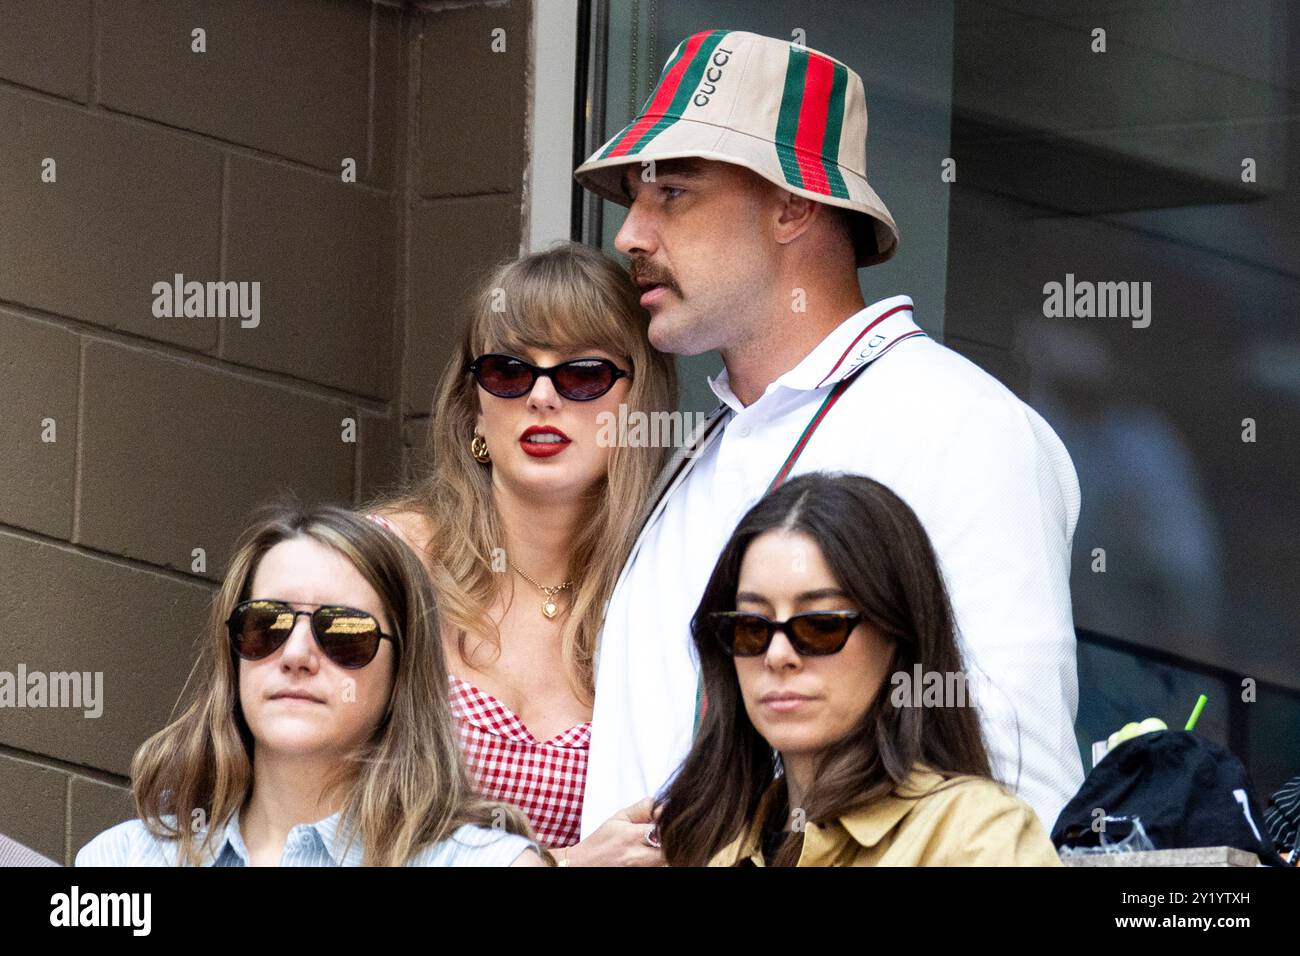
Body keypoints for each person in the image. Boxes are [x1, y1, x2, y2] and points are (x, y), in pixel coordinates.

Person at [573, 29, 1084, 836]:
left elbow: (1021, 789)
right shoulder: (690, 459)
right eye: (634, 198)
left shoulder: (962, 425)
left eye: (671, 193)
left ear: (793, 204)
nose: (630, 235)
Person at [369, 242, 676, 864]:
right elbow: (306, 820)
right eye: (508, 371)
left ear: (638, 406)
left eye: (583, 374)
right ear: (473, 410)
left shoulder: (664, 590)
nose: (541, 397)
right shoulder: (384, 563)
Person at [75, 503, 545, 867]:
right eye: (266, 625)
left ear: (403, 672)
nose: (297, 655)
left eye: (343, 633)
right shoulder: (123, 859)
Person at [656, 473, 1062, 866]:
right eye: (750, 626)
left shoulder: (977, 837)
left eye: (820, 624)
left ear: (897, 638)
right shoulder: (708, 848)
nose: (777, 655)